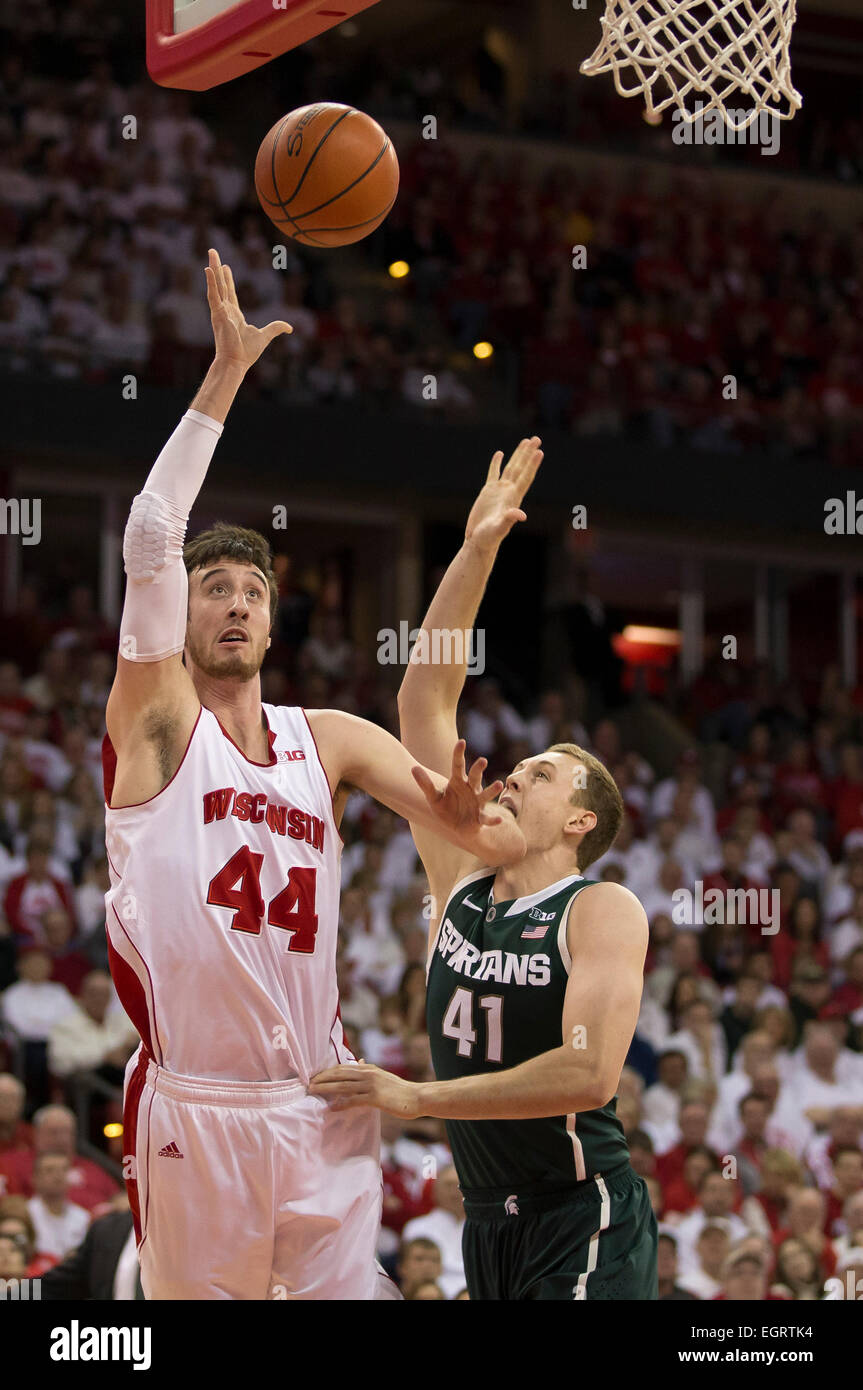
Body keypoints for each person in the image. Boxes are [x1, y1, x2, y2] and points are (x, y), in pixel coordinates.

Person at [103, 251, 524, 1302]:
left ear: (273, 620)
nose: (236, 603)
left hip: (322, 1095)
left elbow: (474, 821)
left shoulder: (325, 738)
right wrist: (226, 374)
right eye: (214, 588)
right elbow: (151, 536)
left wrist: (465, 814)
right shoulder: (155, 723)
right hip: (195, 1103)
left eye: (253, 590)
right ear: (183, 614)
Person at [311, 438, 657, 1299]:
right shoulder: (460, 877)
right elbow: (423, 699)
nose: (512, 774)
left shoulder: (599, 909)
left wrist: (416, 1099)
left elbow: (586, 1076)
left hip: (584, 1210)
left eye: (541, 774)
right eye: (518, 765)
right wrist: (475, 550)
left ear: (579, 820)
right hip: (486, 1223)